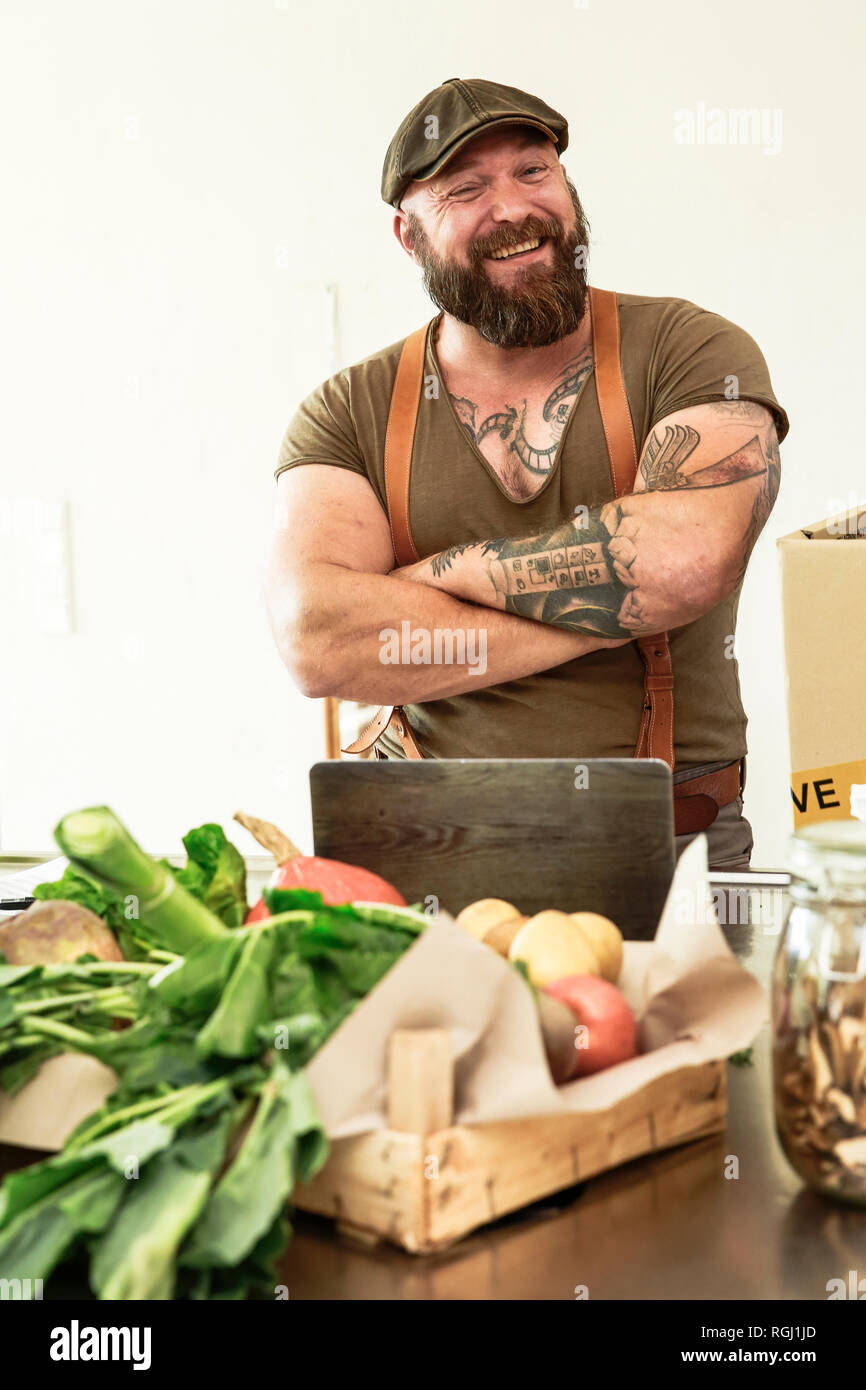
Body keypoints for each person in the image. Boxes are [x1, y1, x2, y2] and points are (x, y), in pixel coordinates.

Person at [266, 77, 790, 870]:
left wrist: (428, 581)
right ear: (408, 237)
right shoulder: (350, 410)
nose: (511, 207)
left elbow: (686, 563)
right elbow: (318, 639)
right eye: (465, 189)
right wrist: (617, 599)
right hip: (418, 838)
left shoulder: (691, 350)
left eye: (532, 171)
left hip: (669, 845)